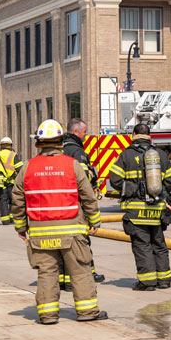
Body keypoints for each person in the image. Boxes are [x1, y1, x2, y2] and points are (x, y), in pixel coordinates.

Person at [10, 120, 107, 324]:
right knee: (80, 271)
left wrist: (20, 226)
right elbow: (87, 196)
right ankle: (87, 312)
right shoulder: (71, 165)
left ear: (39, 142)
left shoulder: (27, 167)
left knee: (47, 273)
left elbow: (17, 198)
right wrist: (94, 221)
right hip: (72, 232)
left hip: (39, 233)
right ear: (61, 141)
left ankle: (47, 315)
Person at [108, 123, 171, 291]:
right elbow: (169, 182)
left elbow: (114, 179)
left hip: (137, 213)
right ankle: (164, 280)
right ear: (149, 135)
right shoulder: (161, 155)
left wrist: (132, 189)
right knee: (159, 244)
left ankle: (147, 282)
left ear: (134, 134)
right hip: (157, 211)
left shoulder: (126, 155)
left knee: (142, 245)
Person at [59, 118, 105, 287]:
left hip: (60, 204)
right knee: (81, 242)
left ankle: (63, 280)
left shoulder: (60, 149)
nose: (86, 135)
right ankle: (87, 274)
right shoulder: (77, 152)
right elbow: (84, 183)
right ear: (76, 132)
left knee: (62, 244)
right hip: (76, 205)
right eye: (84, 132)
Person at [0, 136, 22, 225]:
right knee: (12, 200)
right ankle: (12, 218)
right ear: (10, 145)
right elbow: (19, 168)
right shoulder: (13, 155)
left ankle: (5, 220)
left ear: (1, 146)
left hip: (0, 183)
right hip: (11, 182)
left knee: (3, 201)